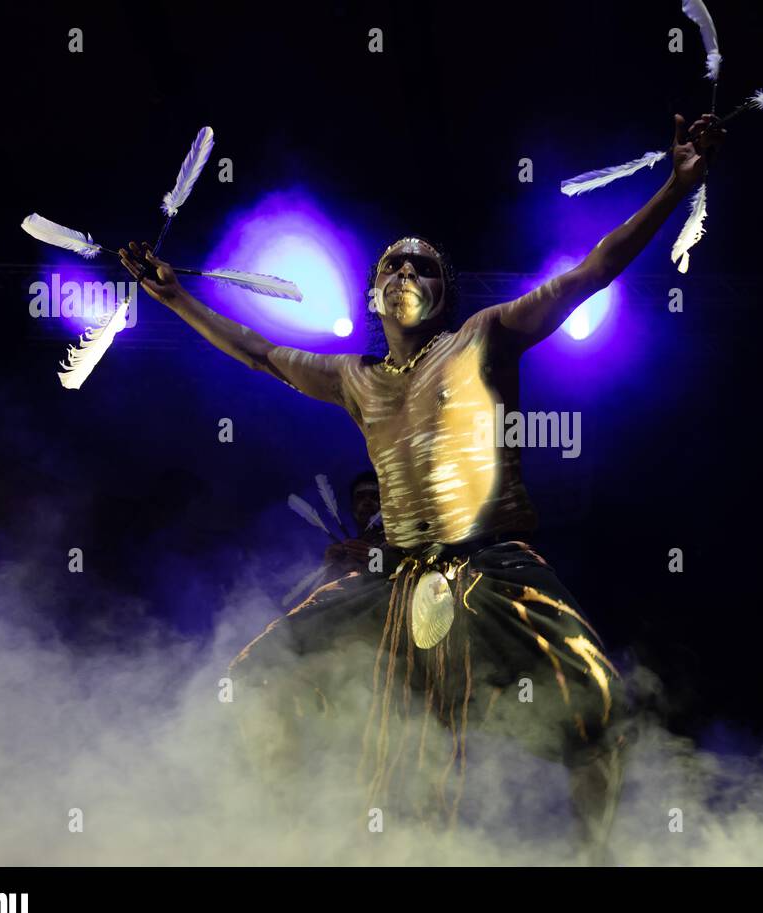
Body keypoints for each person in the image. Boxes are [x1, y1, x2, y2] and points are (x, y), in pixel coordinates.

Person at [119, 113, 725, 857]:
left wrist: (677, 186)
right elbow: (259, 354)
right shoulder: (352, 378)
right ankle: (278, 840)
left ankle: (591, 859)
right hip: (393, 574)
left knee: (598, 704)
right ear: (375, 295)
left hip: (494, 564)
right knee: (258, 678)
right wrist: (174, 296)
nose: (407, 275)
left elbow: (593, 269)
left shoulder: (487, 337)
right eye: (393, 268)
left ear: (446, 293)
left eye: (424, 268)